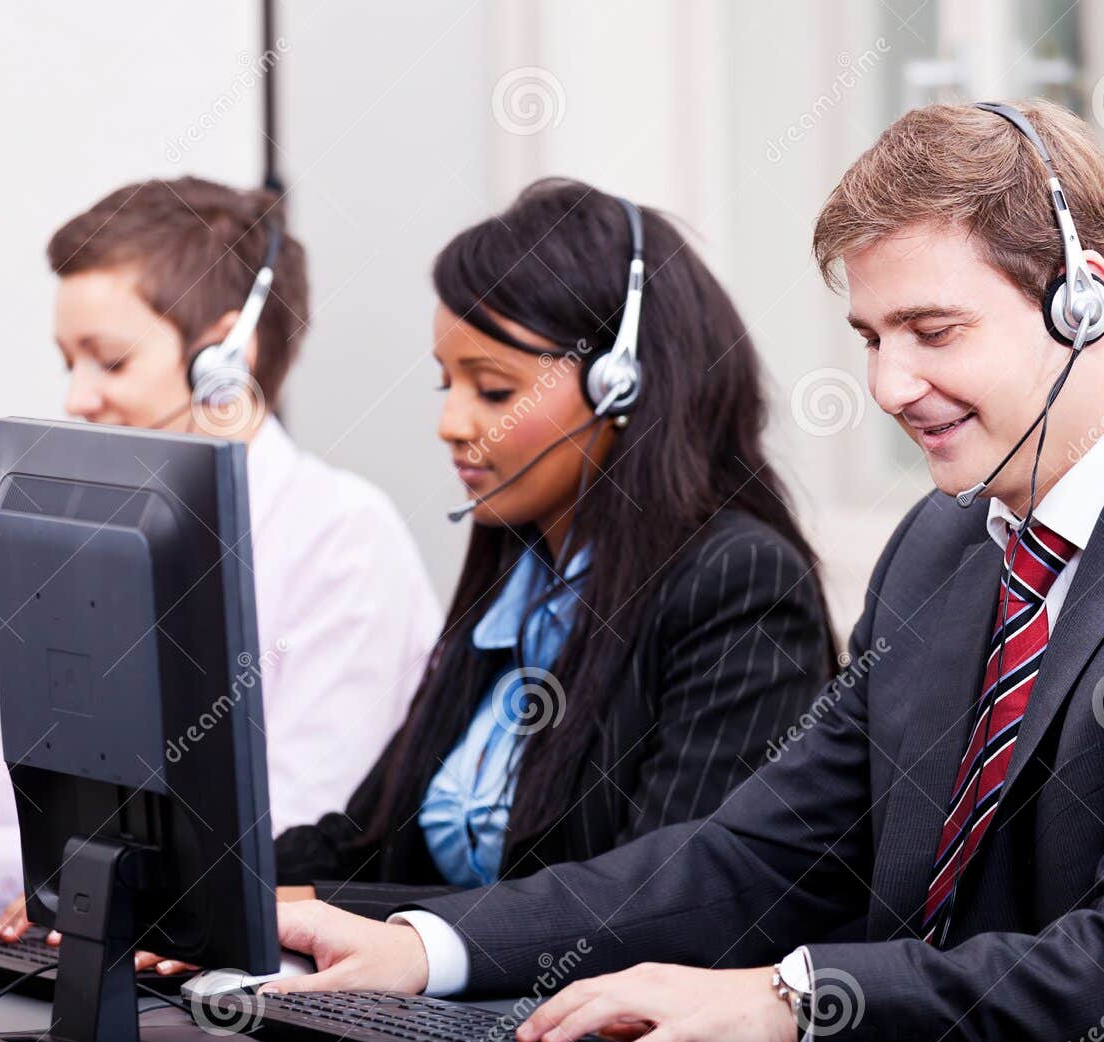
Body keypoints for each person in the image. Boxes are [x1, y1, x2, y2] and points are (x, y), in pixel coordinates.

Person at [266, 102, 1104, 1042]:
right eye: (870, 337)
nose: (887, 385)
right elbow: (755, 857)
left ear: (1082, 298)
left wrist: (796, 997)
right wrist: (425, 942)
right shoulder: (945, 546)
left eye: (933, 330)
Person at [265, 179, 836, 922]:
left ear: (620, 387)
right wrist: (204, 891)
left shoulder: (739, 585)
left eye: (494, 391)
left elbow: (661, 901)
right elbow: (368, 842)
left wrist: (330, 909)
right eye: (447, 384)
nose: (450, 421)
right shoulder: (516, 569)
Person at [0, 177, 441, 914]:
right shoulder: (121, 540)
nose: (76, 400)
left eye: (109, 361)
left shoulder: (343, 537)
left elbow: (288, 818)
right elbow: (52, 771)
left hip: (262, 967)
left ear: (222, 361)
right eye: (68, 363)